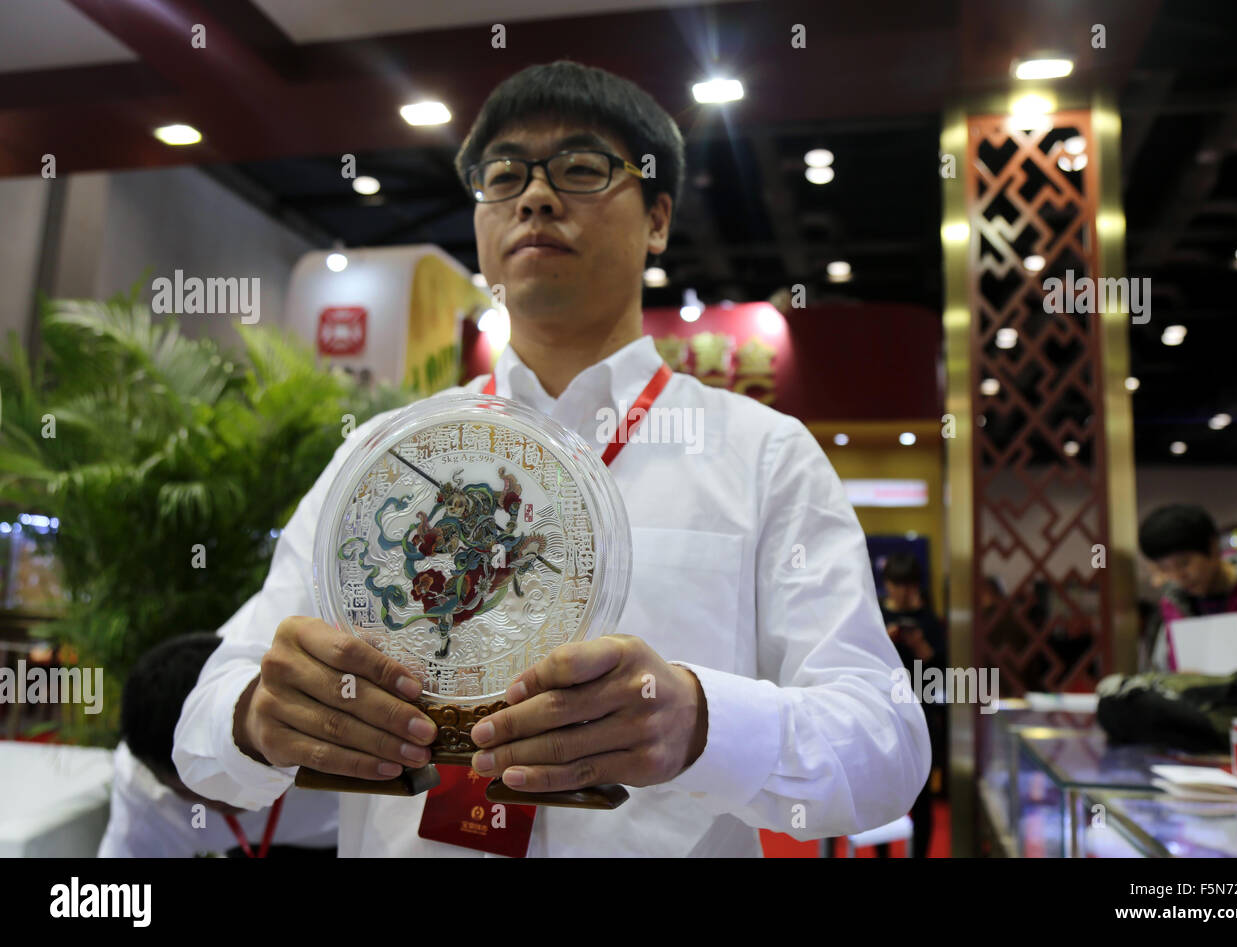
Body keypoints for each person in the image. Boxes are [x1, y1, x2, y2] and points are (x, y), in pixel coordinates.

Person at [174, 59, 929, 857]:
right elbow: (200, 729)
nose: (534, 196)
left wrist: (699, 721)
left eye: (580, 168)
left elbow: (886, 741)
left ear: (660, 217)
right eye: (503, 176)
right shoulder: (387, 457)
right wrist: (261, 718)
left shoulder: (762, 454)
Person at [100, 622, 338, 857]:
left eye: (218, 773)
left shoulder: (292, 685)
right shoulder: (142, 795)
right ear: (161, 780)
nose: (217, 799)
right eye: (193, 792)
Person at [1138, 504, 1237, 671]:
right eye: (1164, 569)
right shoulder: (1174, 604)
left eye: (1184, 563)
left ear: (1213, 547)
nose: (1177, 576)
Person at [877, 553, 945, 857]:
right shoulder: (875, 616)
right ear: (887, 584)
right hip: (882, 714)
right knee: (881, 791)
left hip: (921, 714)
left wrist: (921, 648)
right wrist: (884, 644)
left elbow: (941, 677)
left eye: (908, 585)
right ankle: (881, 853)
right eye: (896, 584)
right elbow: (862, 664)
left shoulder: (930, 621)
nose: (902, 592)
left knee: (922, 797)